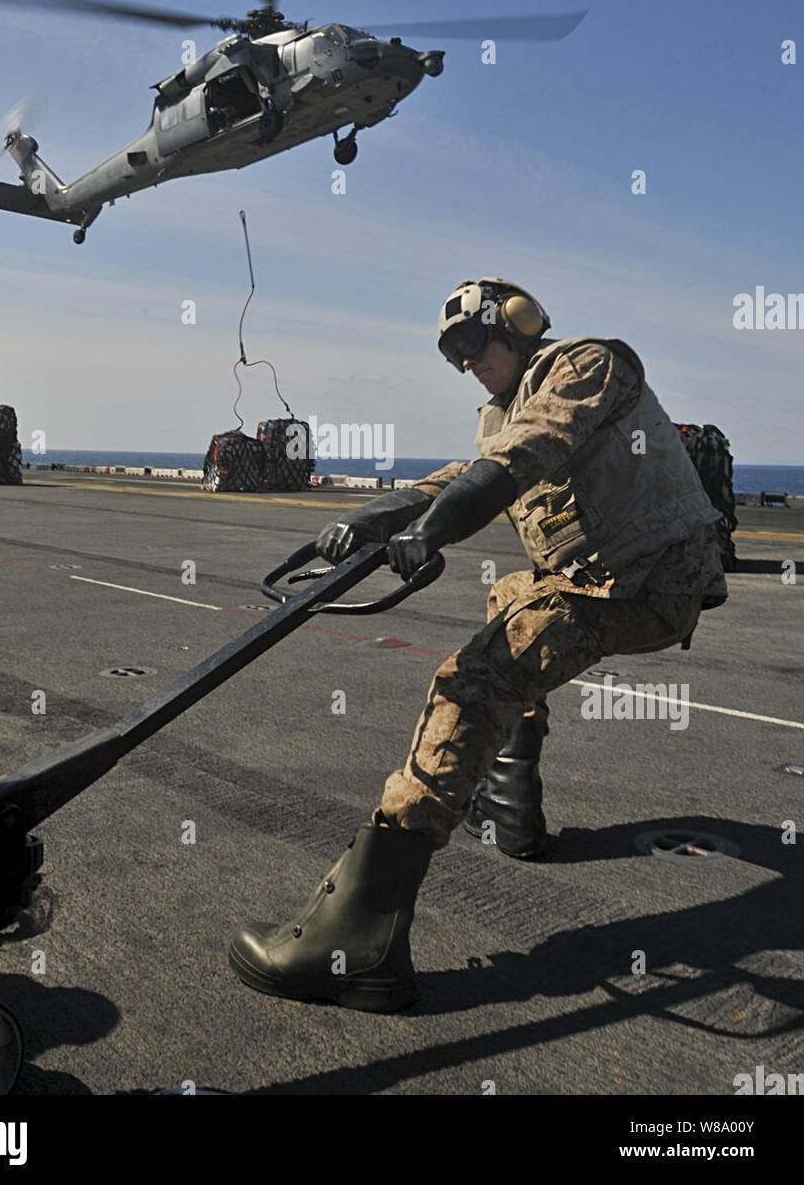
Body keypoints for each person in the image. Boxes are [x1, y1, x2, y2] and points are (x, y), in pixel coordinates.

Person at [228, 278, 728, 1011]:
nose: (462, 362)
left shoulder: (586, 365)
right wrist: (377, 517)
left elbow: (520, 457)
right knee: (506, 604)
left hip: (650, 582)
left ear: (517, 325)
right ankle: (510, 816)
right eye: (449, 353)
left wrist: (434, 530)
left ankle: (359, 939)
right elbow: (464, 474)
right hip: (598, 580)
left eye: (469, 342)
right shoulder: (505, 407)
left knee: (473, 681)